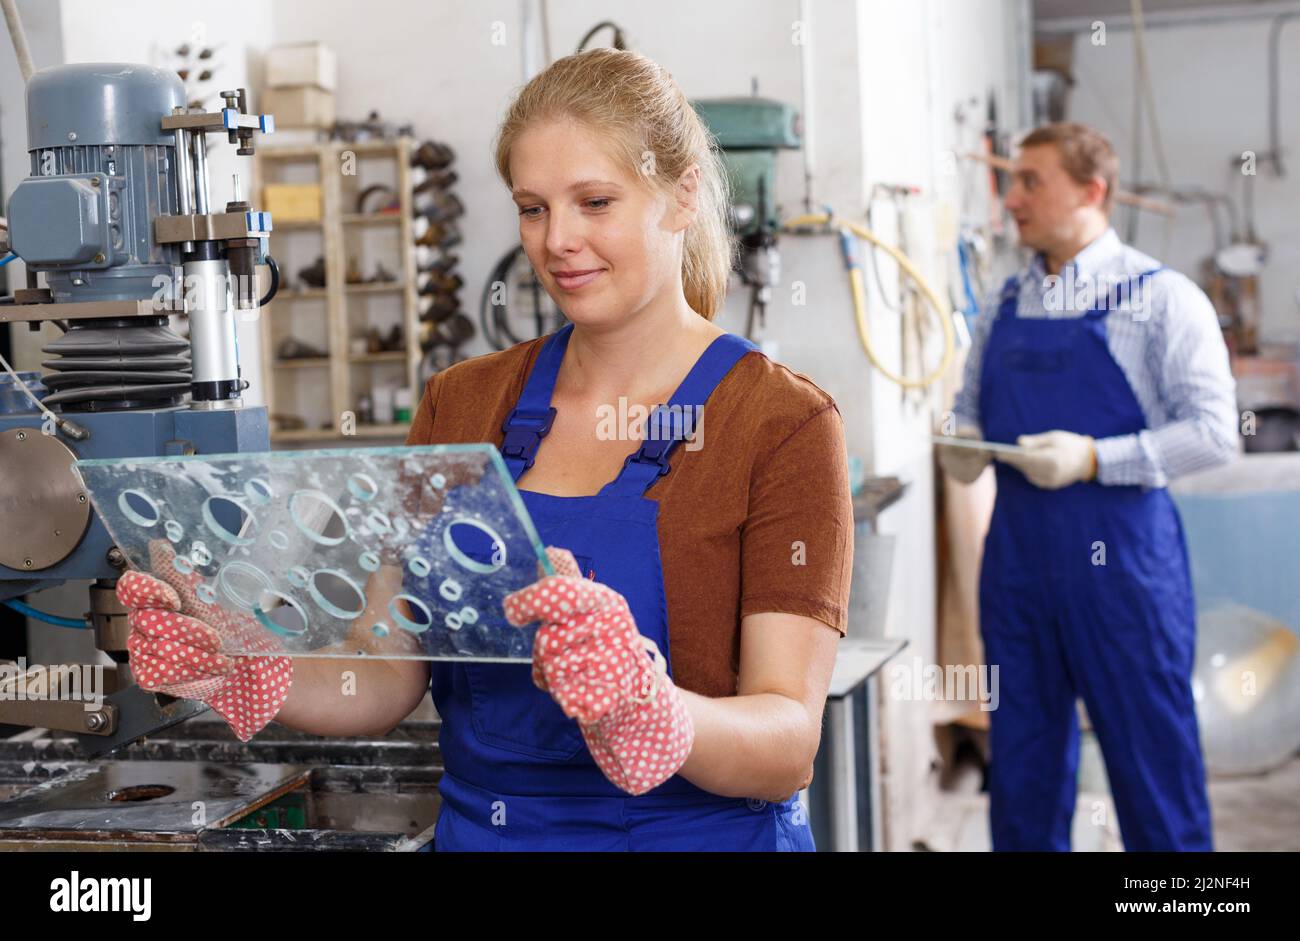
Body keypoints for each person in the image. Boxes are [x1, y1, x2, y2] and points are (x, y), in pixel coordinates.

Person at [116, 48, 854, 852]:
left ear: (681, 195)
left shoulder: (778, 422)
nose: (558, 242)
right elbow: (387, 666)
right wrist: (245, 658)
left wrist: (656, 710)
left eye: (595, 201)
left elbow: (788, 741)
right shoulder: (462, 403)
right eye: (533, 208)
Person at [937, 122, 1238, 851]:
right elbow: (969, 409)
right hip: (1016, 567)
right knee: (1024, 770)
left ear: (1092, 190)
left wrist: (1095, 458)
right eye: (1013, 181)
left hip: (1125, 574)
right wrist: (960, 445)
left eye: (1031, 181)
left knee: (1153, 765)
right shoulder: (1005, 305)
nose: (1012, 199)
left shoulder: (1164, 300)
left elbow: (1215, 433)